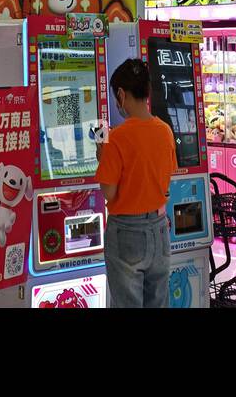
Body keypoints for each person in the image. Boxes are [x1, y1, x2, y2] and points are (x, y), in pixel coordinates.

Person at [96, 58, 177, 308]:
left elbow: (109, 193)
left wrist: (101, 154)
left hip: (126, 233)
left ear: (121, 94)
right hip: (159, 229)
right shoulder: (165, 131)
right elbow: (165, 184)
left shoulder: (116, 138)